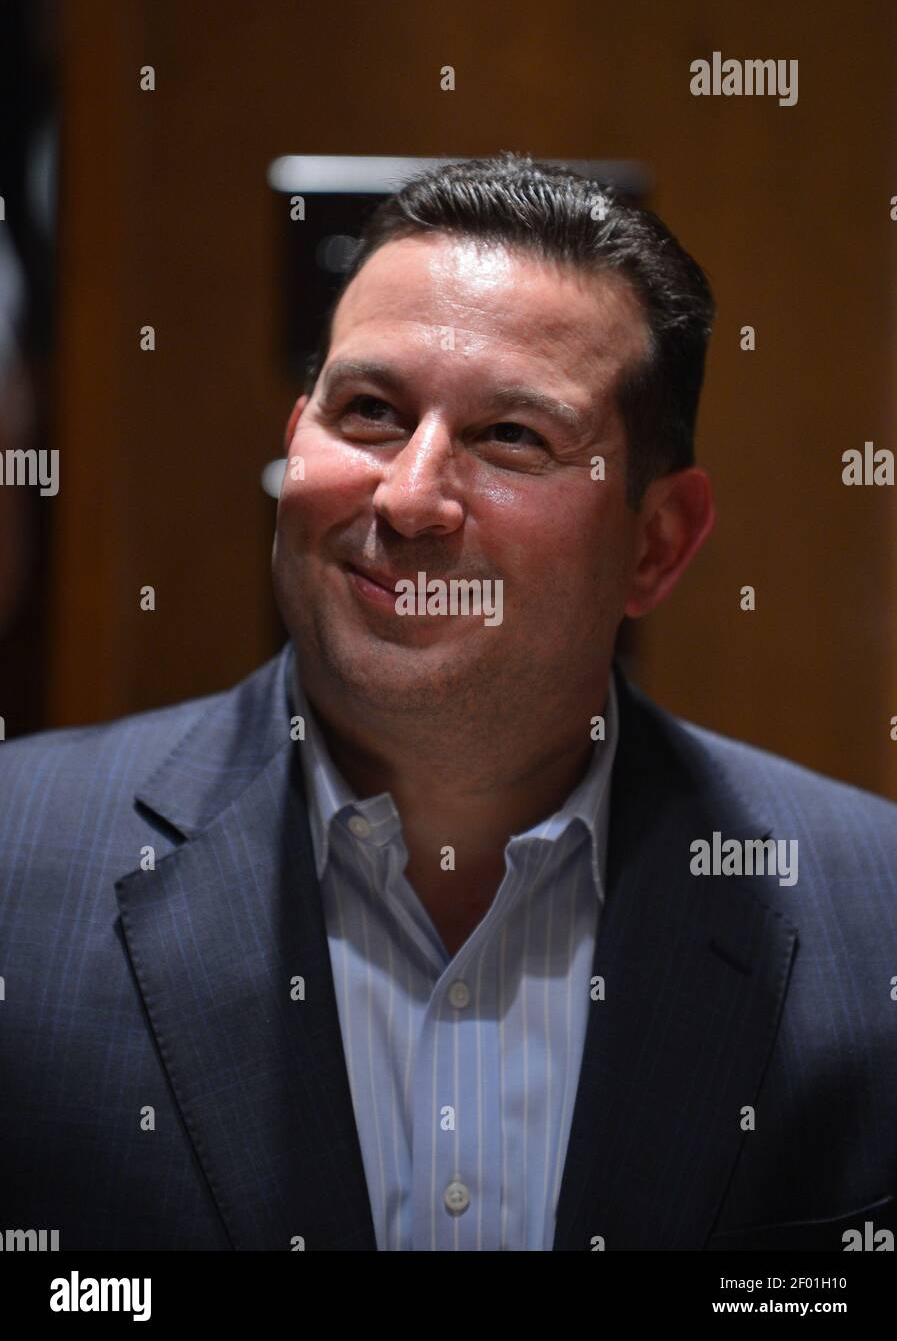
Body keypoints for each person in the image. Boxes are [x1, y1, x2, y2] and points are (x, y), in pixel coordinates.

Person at [1, 153, 895, 1253]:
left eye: (511, 436)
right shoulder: (13, 862)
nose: (409, 494)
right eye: (370, 410)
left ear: (656, 544)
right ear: (296, 441)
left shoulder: (874, 913)